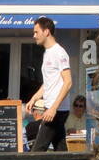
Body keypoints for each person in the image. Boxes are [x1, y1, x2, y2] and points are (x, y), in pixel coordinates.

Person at [25, 17, 72, 151]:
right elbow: (48, 83)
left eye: (36, 32)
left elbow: (68, 82)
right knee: (60, 149)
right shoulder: (47, 53)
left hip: (56, 111)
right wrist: (34, 98)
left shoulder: (59, 52)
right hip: (51, 109)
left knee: (37, 150)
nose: (34, 36)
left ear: (46, 32)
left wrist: (53, 108)